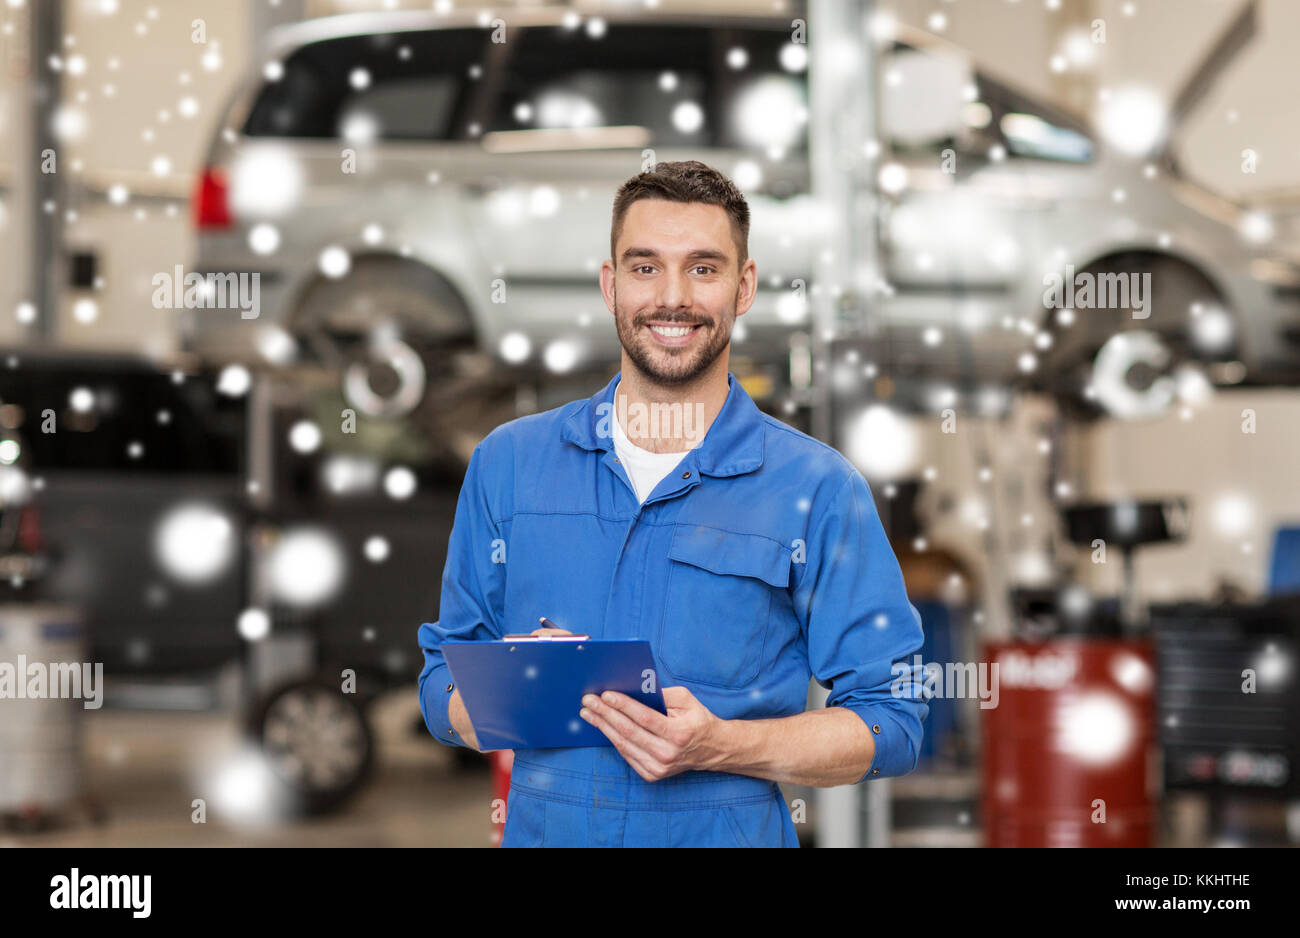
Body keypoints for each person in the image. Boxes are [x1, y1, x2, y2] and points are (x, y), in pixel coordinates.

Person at [418, 160, 927, 847]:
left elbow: (891, 722)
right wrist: (522, 690)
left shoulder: (817, 488)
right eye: (646, 267)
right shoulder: (508, 465)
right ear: (611, 284)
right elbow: (441, 683)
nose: (673, 298)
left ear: (743, 287)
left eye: (704, 268)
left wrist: (721, 745)